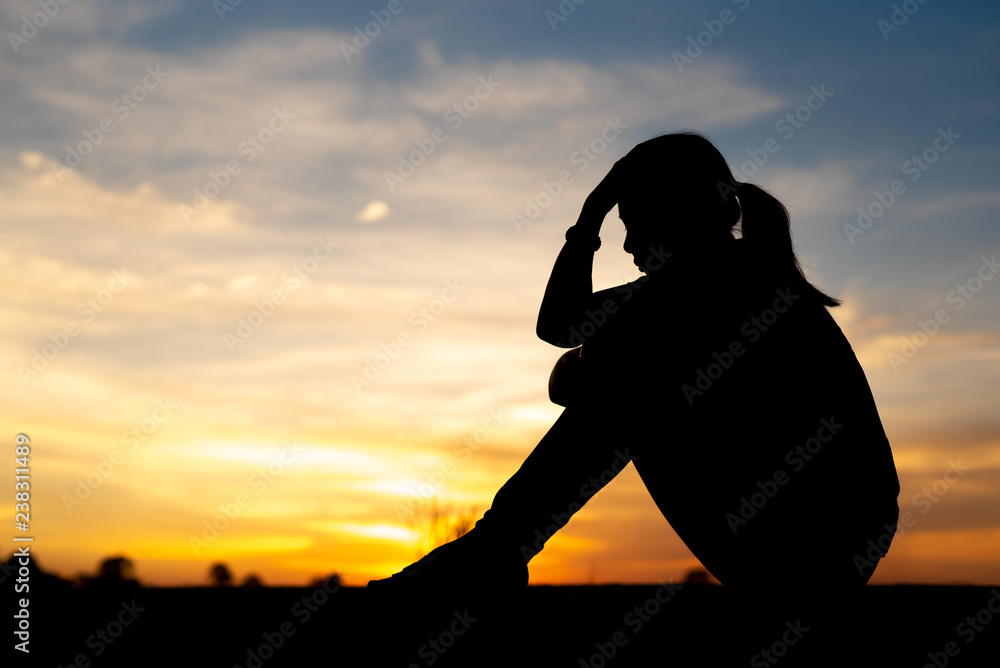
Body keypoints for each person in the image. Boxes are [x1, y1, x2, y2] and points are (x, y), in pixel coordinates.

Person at [368, 131, 900, 613]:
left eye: (633, 225)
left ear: (678, 214)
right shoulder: (725, 277)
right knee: (624, 387)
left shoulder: (715, 285)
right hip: (820, 534)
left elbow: (561, 333)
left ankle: (494, 551)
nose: (625, 247)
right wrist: (592, 369)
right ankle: (495, 552)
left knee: (625, 392)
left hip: (809, 540)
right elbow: (569, 345)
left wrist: (590, 217)